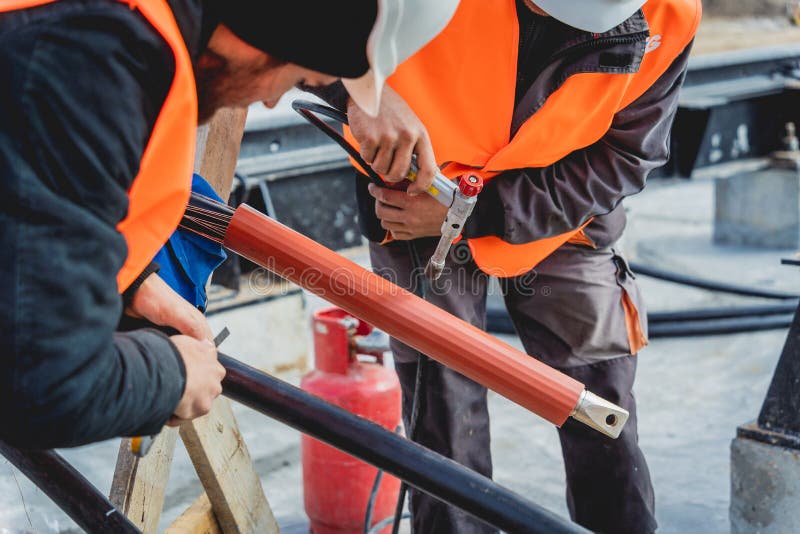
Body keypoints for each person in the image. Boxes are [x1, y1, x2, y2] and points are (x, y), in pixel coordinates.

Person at [0, 0, 458, 449]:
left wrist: (131, 283)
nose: (273, 98)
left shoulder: (105, 36)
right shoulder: (91, 63)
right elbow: (42, 384)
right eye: (298, 77)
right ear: (278, 30)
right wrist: (172, 375)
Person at [317, 0, 702, 531]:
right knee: (445, 414)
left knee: (599, 404)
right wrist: (360, 93)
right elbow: (281, 23)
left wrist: (477, 212)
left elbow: (628, 155)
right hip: (417, 199)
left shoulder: (669, 14)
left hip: (561, 210)